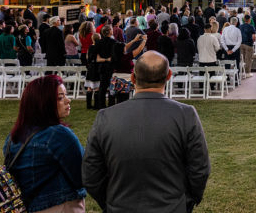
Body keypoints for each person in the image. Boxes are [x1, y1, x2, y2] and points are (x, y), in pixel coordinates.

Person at [83, 51, 210, 212]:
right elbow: (200, 168)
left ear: (133, 78)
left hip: (128, 205)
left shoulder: (106, 117)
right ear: (169, 76)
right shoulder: (185, 115)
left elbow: (91, 173)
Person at [3, 75, 86, 212]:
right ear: (43, 102)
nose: (68, 100)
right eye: (60, 98)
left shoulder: (12, 138)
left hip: (29, 207)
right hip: (61, 206)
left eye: (66, 95)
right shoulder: (58, 134)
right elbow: (82, 177)